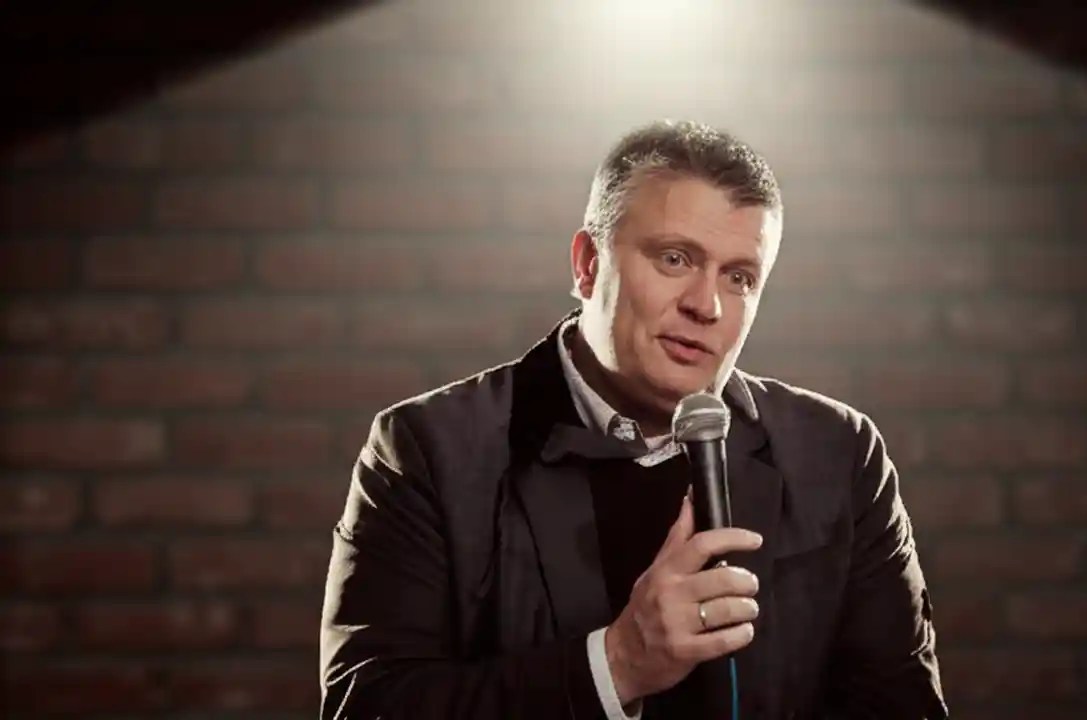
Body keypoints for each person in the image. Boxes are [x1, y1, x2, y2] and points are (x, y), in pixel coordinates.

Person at [319, 119, 947, 719]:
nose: (707, 305)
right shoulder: (427, 451)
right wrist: (616, 665)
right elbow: (368, 708)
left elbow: (904, 708)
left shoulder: (839, 453)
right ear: (588, 265)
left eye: (739, 277)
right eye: (675, 259)